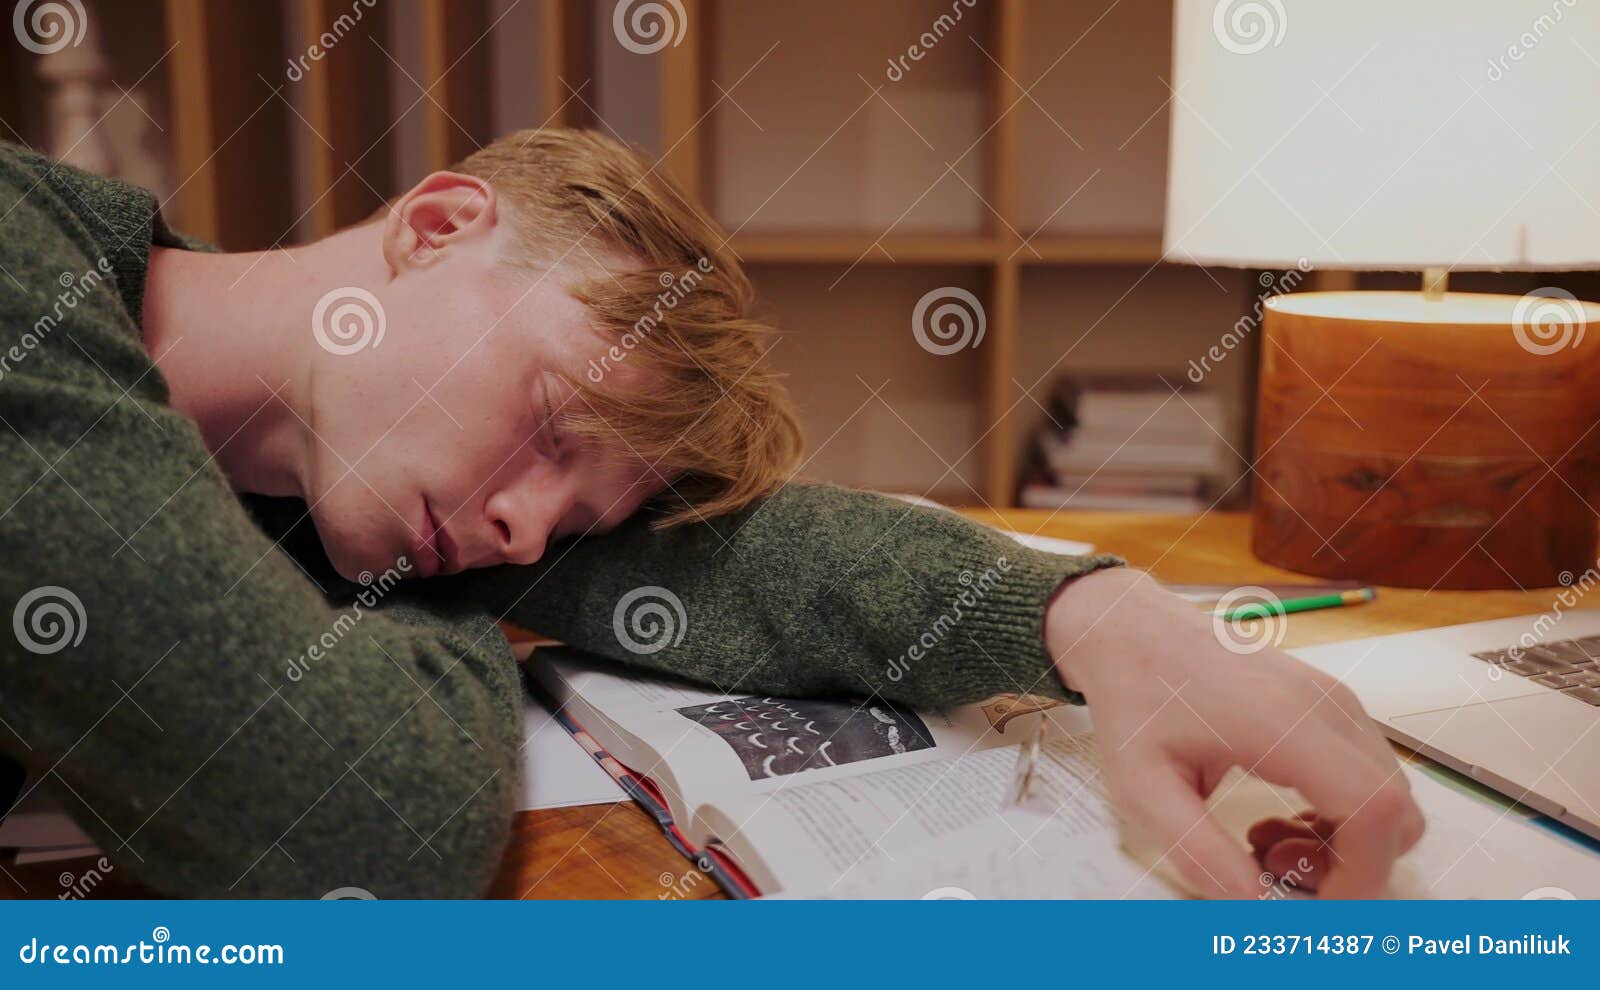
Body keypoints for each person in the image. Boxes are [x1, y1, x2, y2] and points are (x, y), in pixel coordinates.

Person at [0, 130, 1421, 899]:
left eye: (570, 527)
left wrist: (1094, 615)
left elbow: (737, 560)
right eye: (555, 423)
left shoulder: (320, 477)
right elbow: (345, 821)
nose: (521, 539)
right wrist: (461, 617)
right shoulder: (24, 280)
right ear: (437, 228)